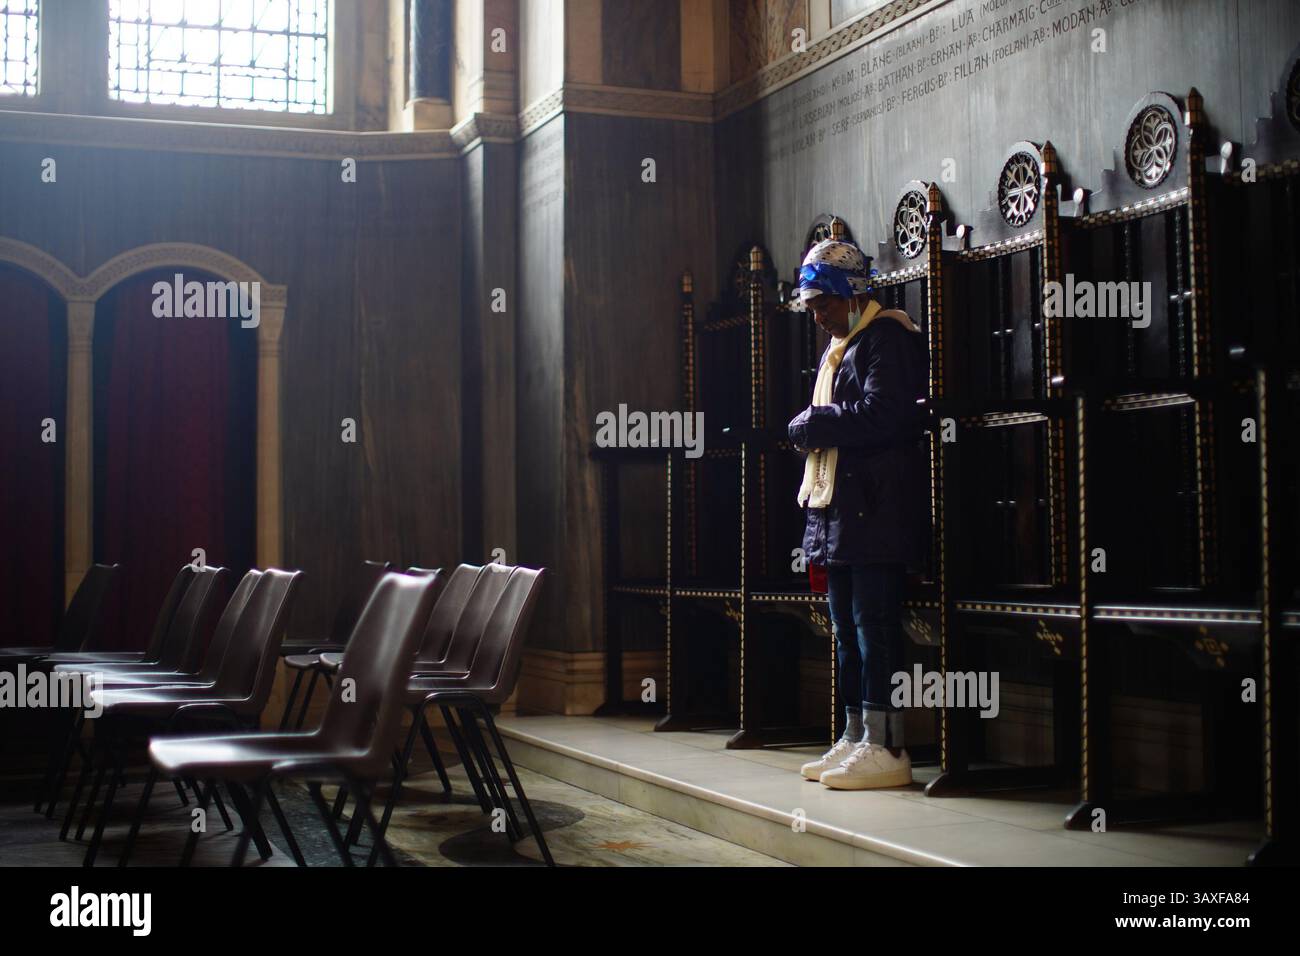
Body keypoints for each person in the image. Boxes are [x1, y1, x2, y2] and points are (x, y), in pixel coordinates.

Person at [786, 238, 929, 790]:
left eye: (823, 303)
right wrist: (816, 422)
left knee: (875, 628)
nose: (818, 316)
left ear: (850, 295)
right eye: (813, 306)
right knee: (845, 631)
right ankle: (854, 736)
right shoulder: (840, 345)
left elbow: (885, 415)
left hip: (878, 508)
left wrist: (813, 423)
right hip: (838, 508)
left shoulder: (885, 337)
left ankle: (888, 746)